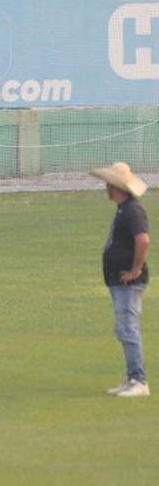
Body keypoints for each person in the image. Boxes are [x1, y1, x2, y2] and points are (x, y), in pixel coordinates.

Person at [92, 162, 151, 398]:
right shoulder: (123, 210)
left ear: (116, 187)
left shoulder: (132, 211)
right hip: (119, 281)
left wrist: (135, 270)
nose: (106, 188)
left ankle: (138, 380)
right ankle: (132, 378)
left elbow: (143, 241)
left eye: (108, 184)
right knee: (124, 328)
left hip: (129, 282)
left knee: (128, 328)